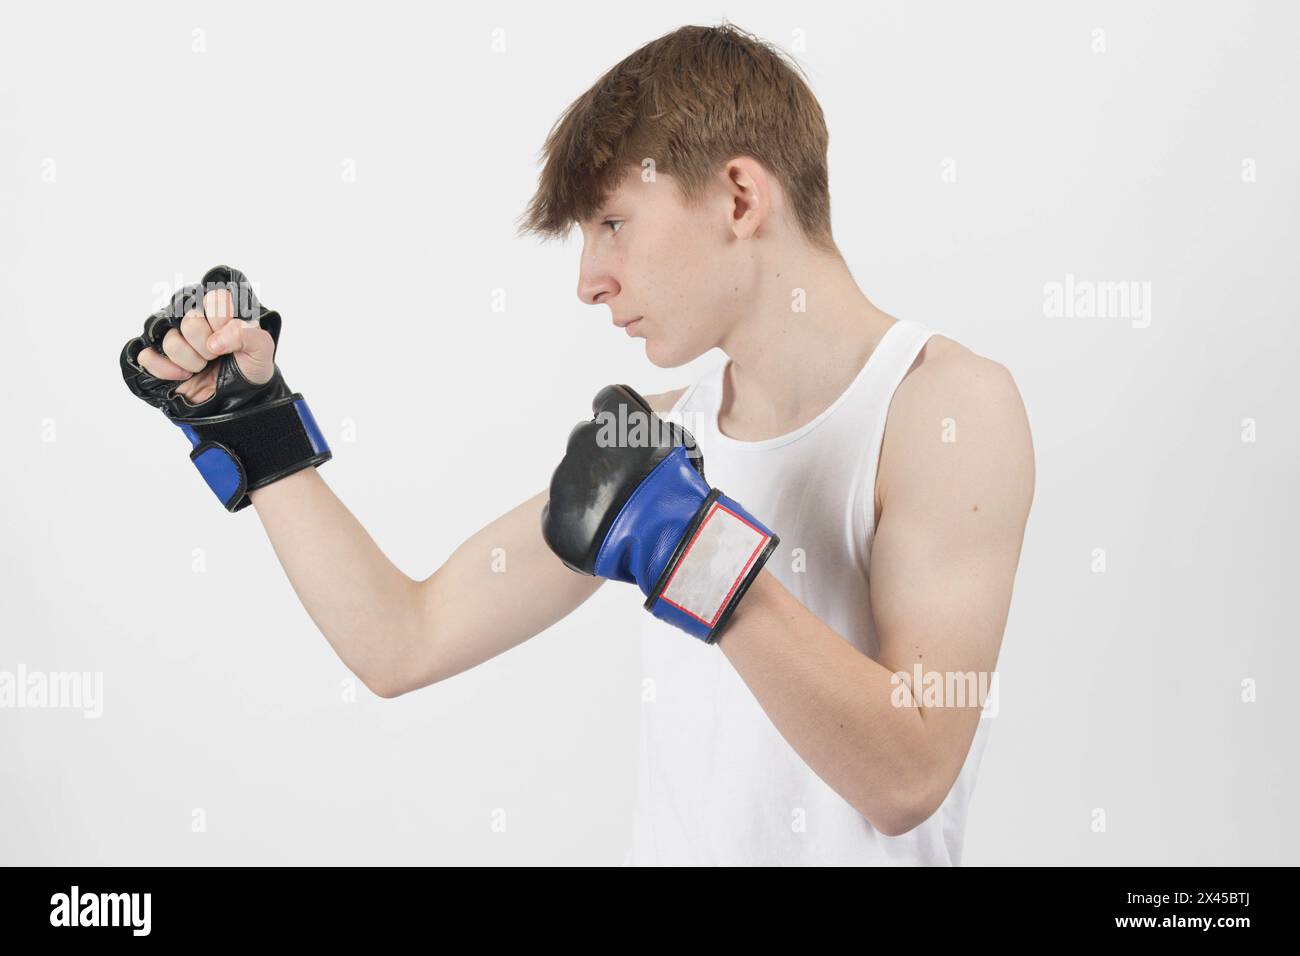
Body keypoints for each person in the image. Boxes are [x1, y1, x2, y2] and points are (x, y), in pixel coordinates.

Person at [120, 22, 1034, 866]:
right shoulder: (657, 438)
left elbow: (912, 775)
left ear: (741, 196)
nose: (591, 280)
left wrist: (695, 551)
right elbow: (404, 639)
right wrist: (258, 424)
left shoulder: (944, 407)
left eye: (613, 224)